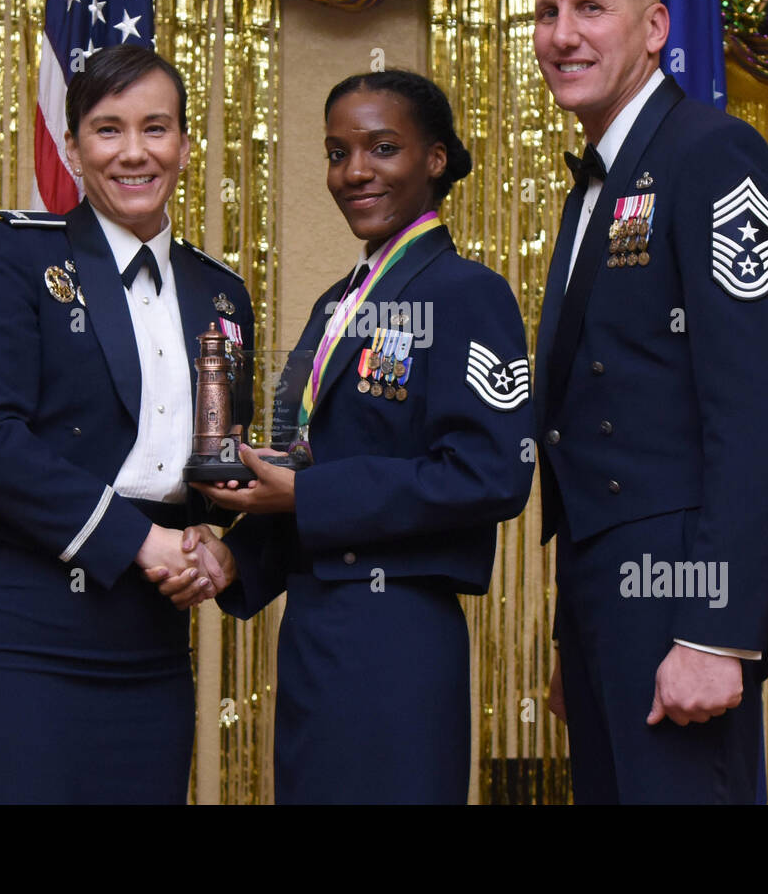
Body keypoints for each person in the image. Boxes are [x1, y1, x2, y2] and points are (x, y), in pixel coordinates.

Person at [152, 70, 534, 804]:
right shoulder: (338, 302)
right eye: (337, 151)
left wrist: (304, 489)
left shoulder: (467, 292)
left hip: (398, 637)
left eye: (382, 147)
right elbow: (309, 470)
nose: (354, 171)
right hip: (315, 628)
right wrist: (234, 559)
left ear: (437, 158)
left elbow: (491, 473)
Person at [0, 44, 255, 803]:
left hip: (150, 644)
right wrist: (140, 539)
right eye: (108, 130)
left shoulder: (221, 292)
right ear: (72, 146)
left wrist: (213, 547)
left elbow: (216, 470)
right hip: (17, 629)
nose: (134, 151)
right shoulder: (15, 254)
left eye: (156, 128)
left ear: (182, 142)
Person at [531, 0, 768, 804]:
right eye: (546, 12)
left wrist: (716, 631)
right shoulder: (600, 181)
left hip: (683, 591)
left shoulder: (714, 154)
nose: (563, 34)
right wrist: (577, 627)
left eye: (589, 8)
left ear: (654, 28)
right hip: (608, 601)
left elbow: (761, 405)